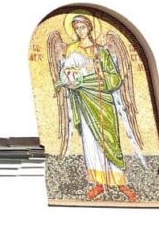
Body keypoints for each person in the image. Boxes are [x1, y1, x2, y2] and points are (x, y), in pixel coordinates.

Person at [58, 14, 138, 202]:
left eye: (83, 27)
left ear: (89, 28)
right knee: (90, 139)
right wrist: (71, 80)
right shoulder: (72, 51)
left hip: (103, 100)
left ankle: (119, 181)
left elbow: (115, 78)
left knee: (110, 138)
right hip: (84, 100)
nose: (80, 31)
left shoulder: (101, 52)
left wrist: (103, 76)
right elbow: (66, 73)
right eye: (77, 28)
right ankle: (98, 182)